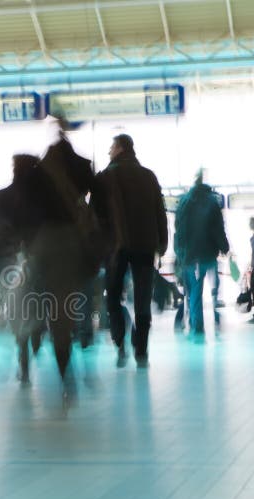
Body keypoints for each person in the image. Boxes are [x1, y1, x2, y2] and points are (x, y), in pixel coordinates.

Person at [93, 134, 168, 368]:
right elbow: (160, 212)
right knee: (143, 298)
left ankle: (119, 339)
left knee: (113, 295)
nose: (108, 152)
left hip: (116, 247)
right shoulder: (148, 176)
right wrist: (162, 243)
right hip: (145, 245)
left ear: (120, 148)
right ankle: (141, 348)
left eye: (111, 147)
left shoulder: (105, 177)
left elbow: (94, 215)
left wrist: (96, 247)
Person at [174, 172, 229, 335]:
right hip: (207, 254)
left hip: (189, 256)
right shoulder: (212, 202)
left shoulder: (184, 201)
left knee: (194, 293)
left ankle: (197, 326)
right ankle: (215, 317)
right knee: (214, 287)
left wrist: (180, 253)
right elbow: (218, 228)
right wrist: (225, 247)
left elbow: (178, 230)